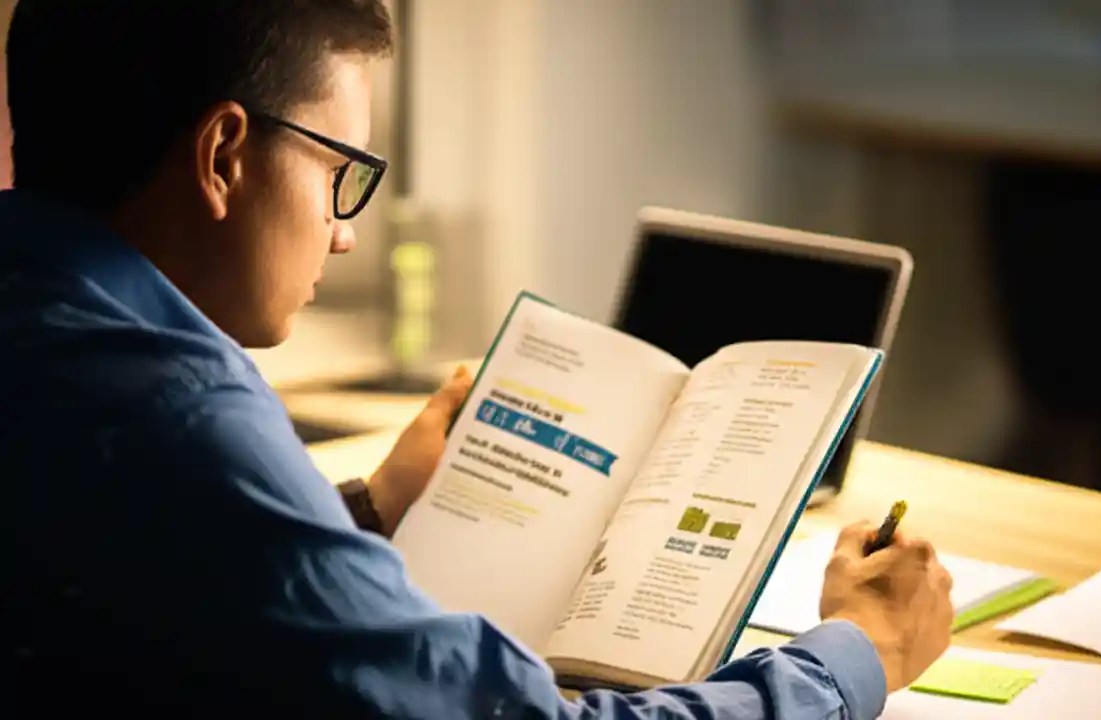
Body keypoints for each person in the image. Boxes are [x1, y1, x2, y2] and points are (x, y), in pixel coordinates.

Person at [0, 2, 953, 717]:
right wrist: (851, 656)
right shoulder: (185, 416)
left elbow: (155, 575)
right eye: (341, 175)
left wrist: (372, 509)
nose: (341, 236)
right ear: (223, 156)